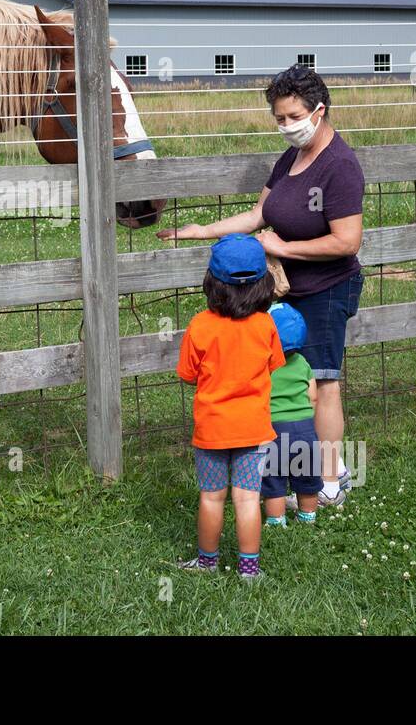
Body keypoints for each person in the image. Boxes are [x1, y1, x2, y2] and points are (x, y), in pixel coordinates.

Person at [159, 64, 364, 506]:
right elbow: (258, 216)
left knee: (323, 381)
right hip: (288, 291)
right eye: (279, 119)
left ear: (319, 111)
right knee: (289, 379)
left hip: (326, 288)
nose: (287, 126)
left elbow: (347, 241)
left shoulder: (340, 166)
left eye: (293, 117)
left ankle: (331, 481)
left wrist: (285, 248)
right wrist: (203, 230)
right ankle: (303, 475)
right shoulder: (292, 158)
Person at [175, 233, 284, 579]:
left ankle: (207, 563)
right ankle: (249, 570)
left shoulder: (200, 326)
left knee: (211, 497)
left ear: (212, 282)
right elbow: (272, 365)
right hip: (253, 430)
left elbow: (188, 374)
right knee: (248, 499)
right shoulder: (266, 325)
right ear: (264, 284)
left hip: (212, 430)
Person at [262, 302, 322, 526]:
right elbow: (313, 396)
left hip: (273, 430)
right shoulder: (303, 364)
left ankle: (276, 520)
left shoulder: (264, 366)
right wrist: (307, 417)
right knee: (307, 477)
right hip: (305, 429)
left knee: (274, 480)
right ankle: (307, 516)